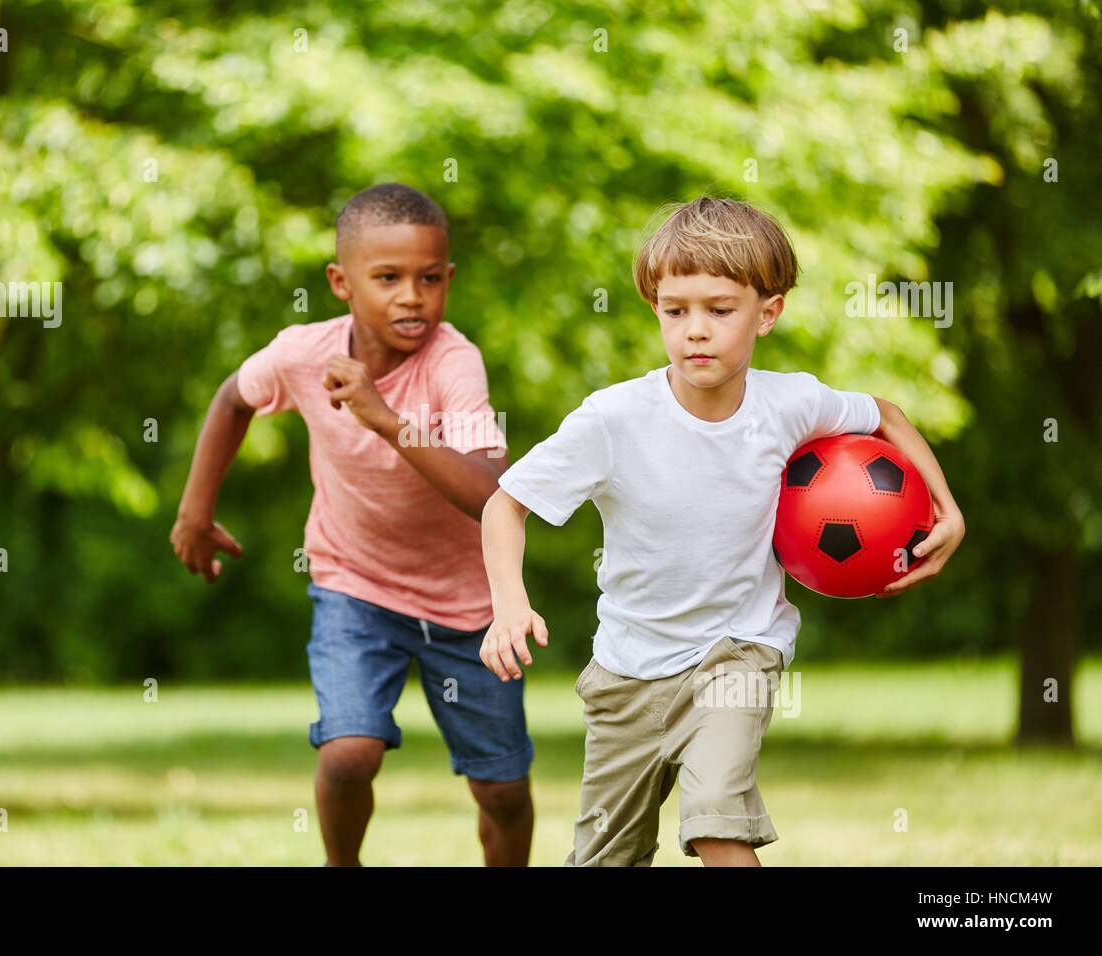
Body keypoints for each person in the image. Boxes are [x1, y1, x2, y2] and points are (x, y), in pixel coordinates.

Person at [478, 196, 965, 866]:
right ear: (655, 308)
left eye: (719, 309)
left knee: (718, 825)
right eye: (675, 311)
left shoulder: (790, 403)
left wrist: (948, 508)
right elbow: (505, 505)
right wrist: (509, 603)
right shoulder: (613, 419)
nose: (694, 331)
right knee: (602, 859)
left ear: (768, 312)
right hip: (627, 671)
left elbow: (885, 414)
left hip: (736, 655)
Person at [171, 183, 533, 866]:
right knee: (347, 755)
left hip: (468, 603)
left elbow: (489, 493)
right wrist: (196, 511)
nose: (411, 296)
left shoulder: (454, 365)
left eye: (430, 279)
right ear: (340, 282)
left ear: (448, 279)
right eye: (388, 278)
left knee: (504, 789)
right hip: (354, 585)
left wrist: (389, 422)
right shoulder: (301, 354)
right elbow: (232, 400)